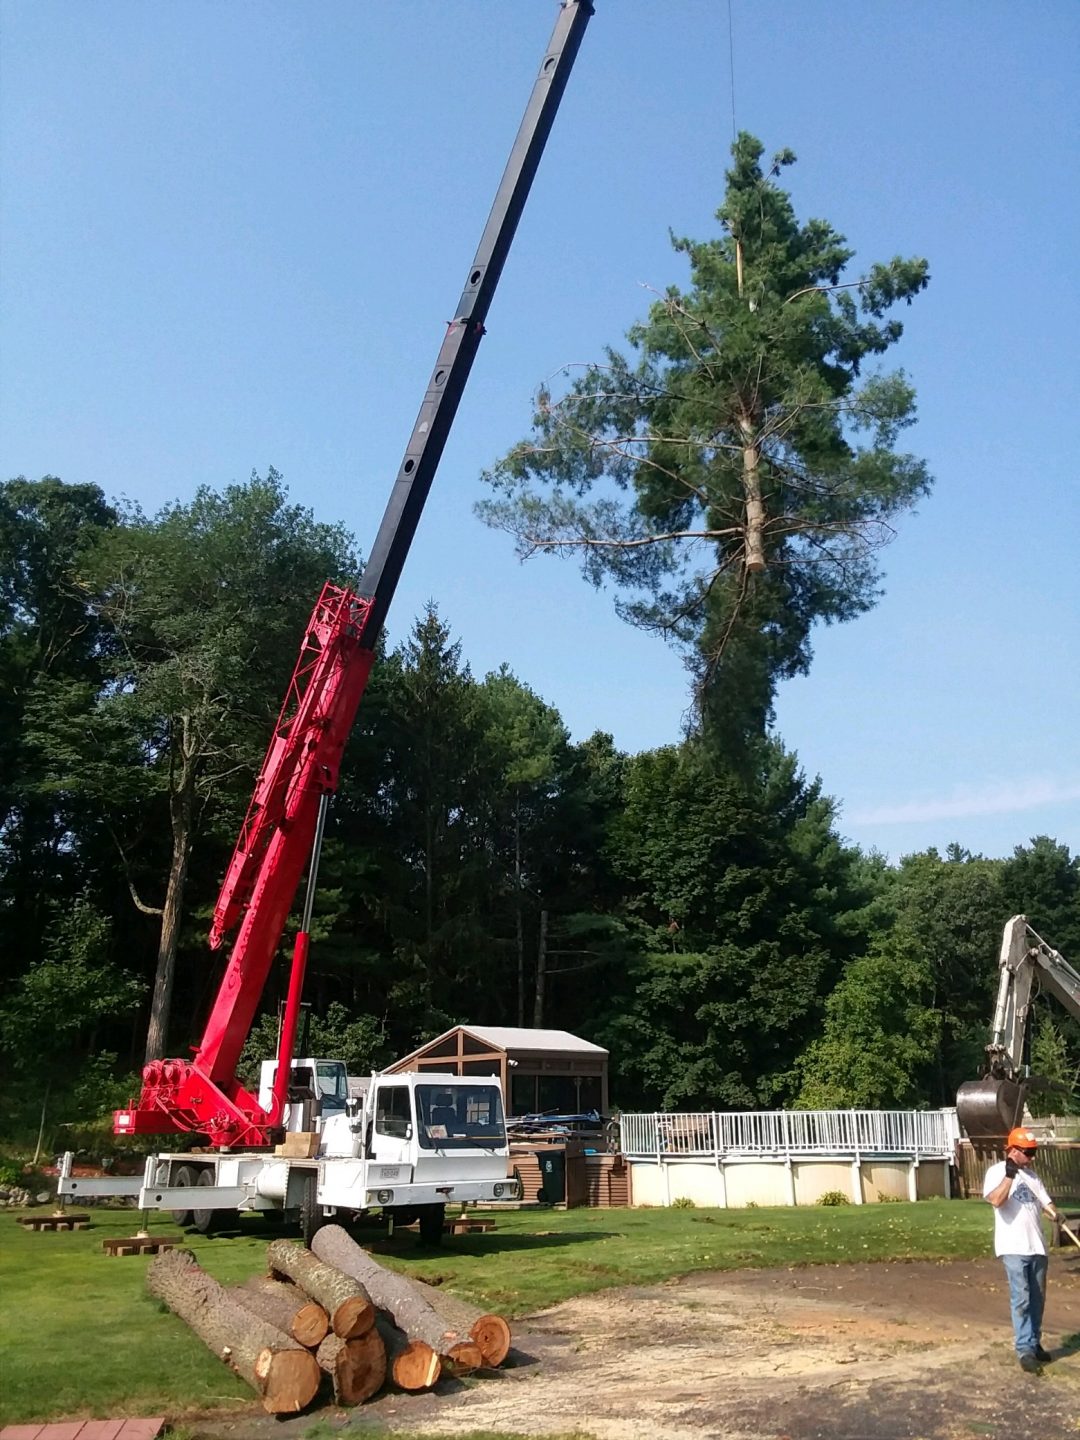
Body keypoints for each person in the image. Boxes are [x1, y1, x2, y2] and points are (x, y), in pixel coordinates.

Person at [983, 1125, 1062, 1372]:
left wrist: (1055, 1214)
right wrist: (1009, 1176)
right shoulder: (996, 1172)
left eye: (1033, 1151)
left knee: (1037, 1299)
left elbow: (1046, 1203)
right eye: (1027, 1152)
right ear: (1013, 1150)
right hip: (1013, 1247)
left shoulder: (1033, 1176)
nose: (1031, 1157)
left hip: (1037, 1246)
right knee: (1022, 1298)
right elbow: (996, 1200)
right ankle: (1024, 1350)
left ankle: (1034, 1343)